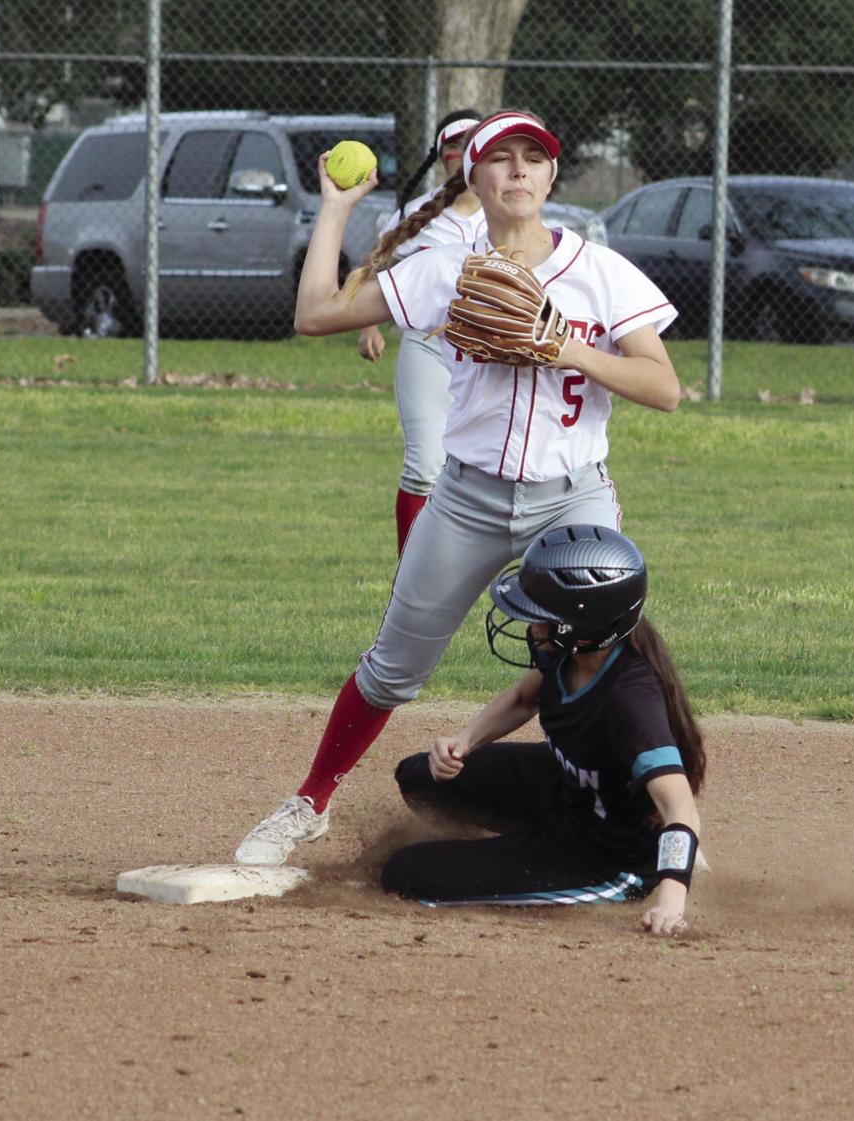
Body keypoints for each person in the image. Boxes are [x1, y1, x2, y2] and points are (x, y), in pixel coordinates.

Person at [234, 109, 681, 867]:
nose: (517, 171)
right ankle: (309, 802)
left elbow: (664, 387)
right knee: (391, 668)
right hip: (467, 496)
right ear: (471, 175)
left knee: (608, 659)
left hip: (572, 500)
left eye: (532, 159)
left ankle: (659, 822)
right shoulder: (447, 266)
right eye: (499, 159)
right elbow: (316, 315)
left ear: (550, 176)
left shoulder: (600, 271)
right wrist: (337, 209)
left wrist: (570, 347)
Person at [380, 524, 705, 937]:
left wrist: (670, 902)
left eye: (540, 617)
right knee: (418, 775)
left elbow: (682, 809)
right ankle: (524, 843)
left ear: (579, 626)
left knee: (404, 874)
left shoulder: (630, 701)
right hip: (565, 786)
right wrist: (465, 741)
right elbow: (522, 699)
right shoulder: (568, 652)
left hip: (603, 853)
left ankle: (609, 877)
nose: (529, 625)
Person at [355, 108, 487, 555]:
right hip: (428, 346)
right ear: (442, 157)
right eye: (456, 147)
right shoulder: (416, 214)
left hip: (494, 355)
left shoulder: (509, 212)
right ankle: (412, 577)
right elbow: (375, 269)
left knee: (495, 470)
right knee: (423, 466)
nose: (465, 155)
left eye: (475, 145)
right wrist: (369, 324)